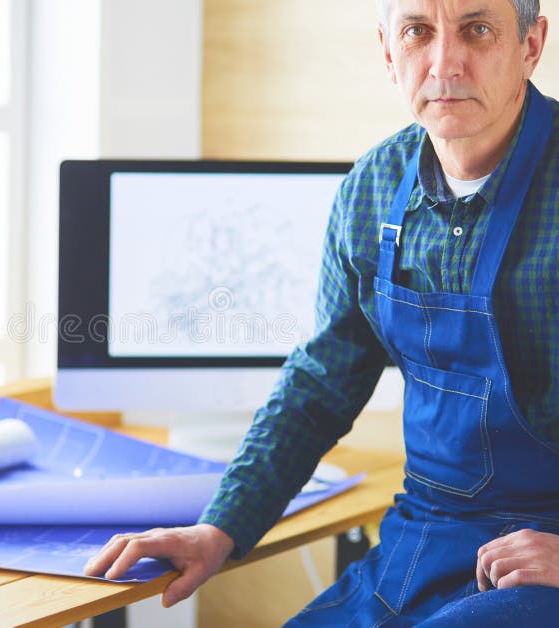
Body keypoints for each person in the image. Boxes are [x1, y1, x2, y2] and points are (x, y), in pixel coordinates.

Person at [86, 0, 559, 624]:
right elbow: (320, 385)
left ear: (530, 45)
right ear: (389, 52)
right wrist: (219, 528)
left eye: (477, 30)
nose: (446, 63)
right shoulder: (370, 190)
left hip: (542, 560)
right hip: (419, 543)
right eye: (418, 32)